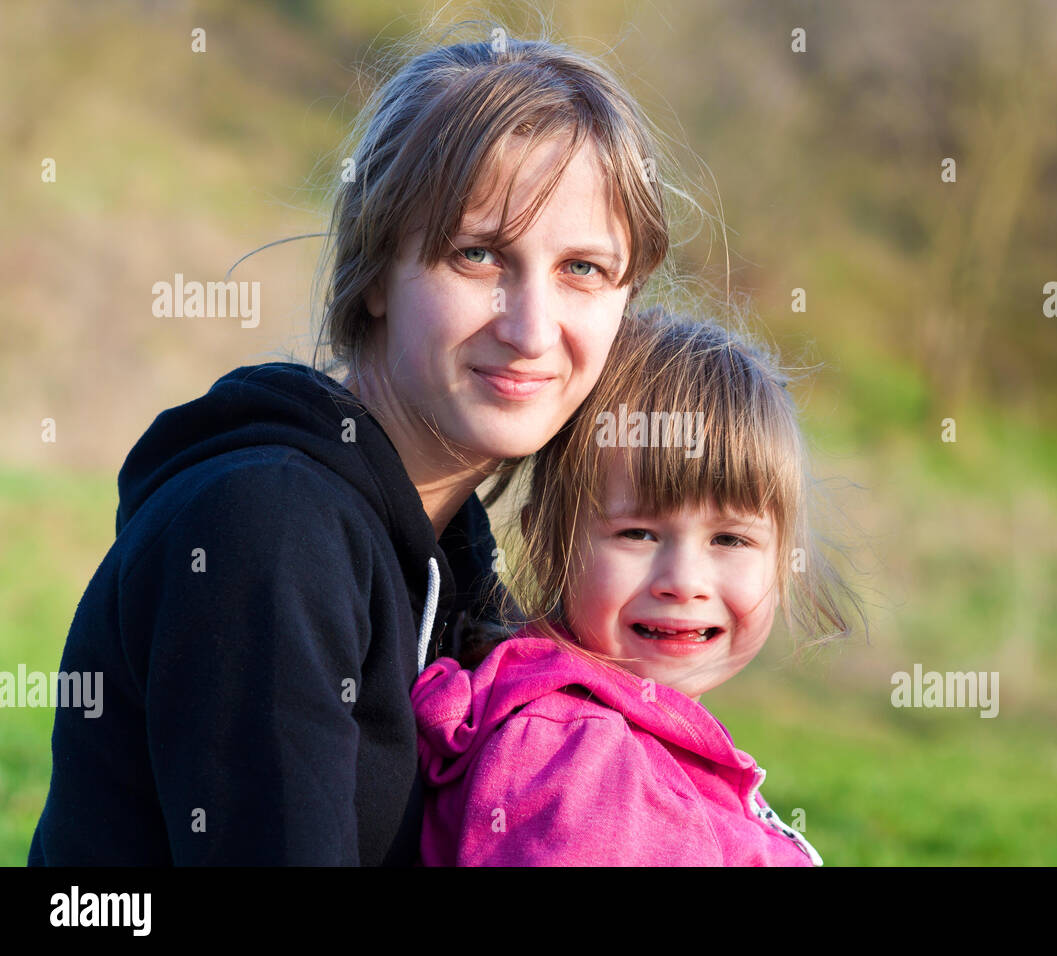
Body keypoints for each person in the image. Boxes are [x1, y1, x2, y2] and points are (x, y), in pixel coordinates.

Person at [28, 29, 673, 865]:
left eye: (583, 269)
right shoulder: (270, 527)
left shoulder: (449, 563)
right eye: (477, 255)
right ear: (374, 271)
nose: (531, 329)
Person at [411, 307, 865, 865]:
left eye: (730, 540)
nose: (684, 582)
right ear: (547, 543)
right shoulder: (581, 757)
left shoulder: (631, 737)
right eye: (639, 533)